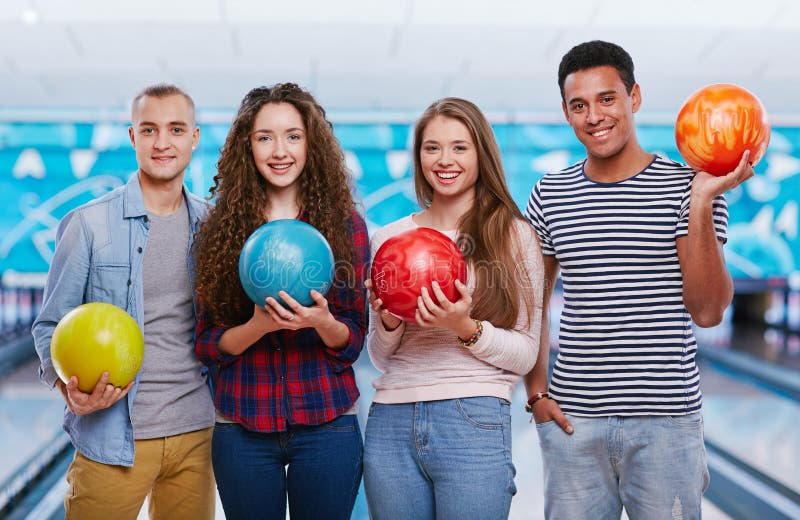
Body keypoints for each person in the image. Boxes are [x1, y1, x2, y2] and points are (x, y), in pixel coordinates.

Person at [524, 40, 754, 520]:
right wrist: (537, 395)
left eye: (607, 98)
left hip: (667, 424)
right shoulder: (550, 193)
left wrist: (699, 203)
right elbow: (533, 304)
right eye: (579, 105)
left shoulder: (690, 187)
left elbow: (708, 311)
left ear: (635, 97)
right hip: (573, 424)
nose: (594, 116)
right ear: (566, 113)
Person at [31, 84, 216, 519]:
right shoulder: (89, 225)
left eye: (175, 129)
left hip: (196, 433)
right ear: (133, 137)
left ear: (194, 137)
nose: (162, 142)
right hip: (112, 435)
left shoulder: (211, 226)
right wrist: (67, 390)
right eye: (149, 129)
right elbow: (48, 327)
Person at [193, 83, 369, 520]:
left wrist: (323, 321)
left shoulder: (345, 226)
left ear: (311, 144)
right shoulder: (220, 230)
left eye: (293, 136)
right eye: (264, 137)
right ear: (247, 147)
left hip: (327, 422)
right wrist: (259, 326)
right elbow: (207, 344)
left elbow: (353, 341)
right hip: (242, 427)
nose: (279, 151)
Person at [363, 97, 544, 519]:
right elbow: (380, 356)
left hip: (474, 417)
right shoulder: (389, 240)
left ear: (482, 153)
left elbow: (525, 353)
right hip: (391, 420)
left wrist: (466, 326)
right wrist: (389, 321)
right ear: (419, 156)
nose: (445, 160)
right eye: (432, 148)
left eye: (460, 147)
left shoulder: (514, 236)